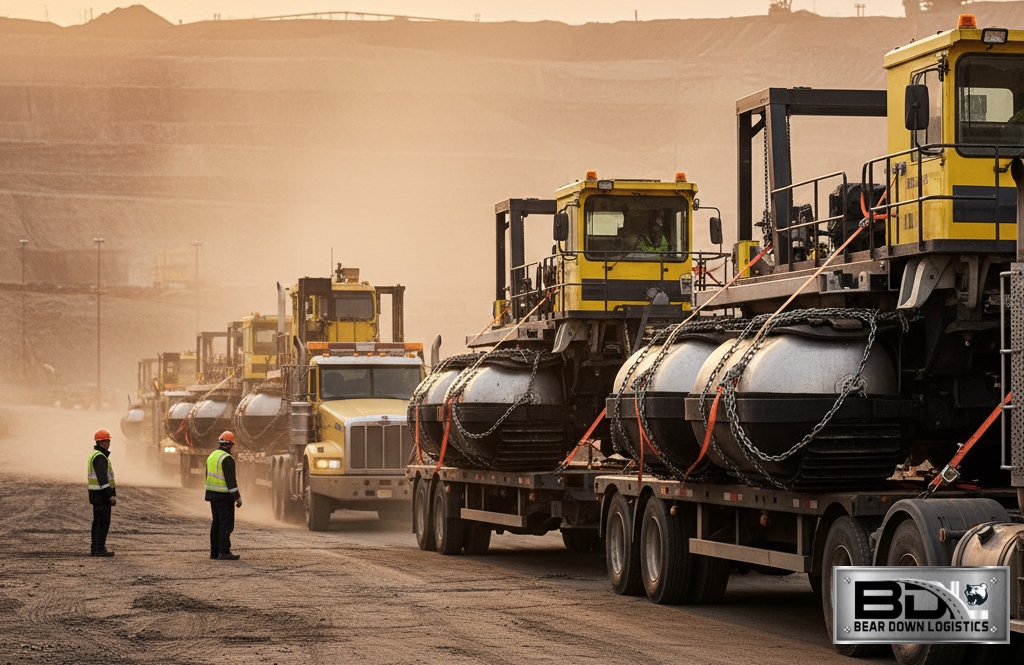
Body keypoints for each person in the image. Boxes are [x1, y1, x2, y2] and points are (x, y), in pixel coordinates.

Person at [206, 431, 242, 560]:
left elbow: (207, 476)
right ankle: (224, 551)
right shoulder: (227, 458)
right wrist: (237, 497)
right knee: (226, 524)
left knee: (216, 523)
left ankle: (214, 552)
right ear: (231, 444)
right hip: (224, 497)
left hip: (212, 494)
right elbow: (230, 481)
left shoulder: (212, 455)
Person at [87, 428, 116, 557]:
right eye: (107, 441)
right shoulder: (100, 457)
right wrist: (110, 495)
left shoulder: (95, 454)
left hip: (95, 494)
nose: (109, 444)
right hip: (101, 495)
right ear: (101, 443)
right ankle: (99, 548)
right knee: (103, 522)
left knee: (97, 521)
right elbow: (103, 479)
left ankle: (95, 548)